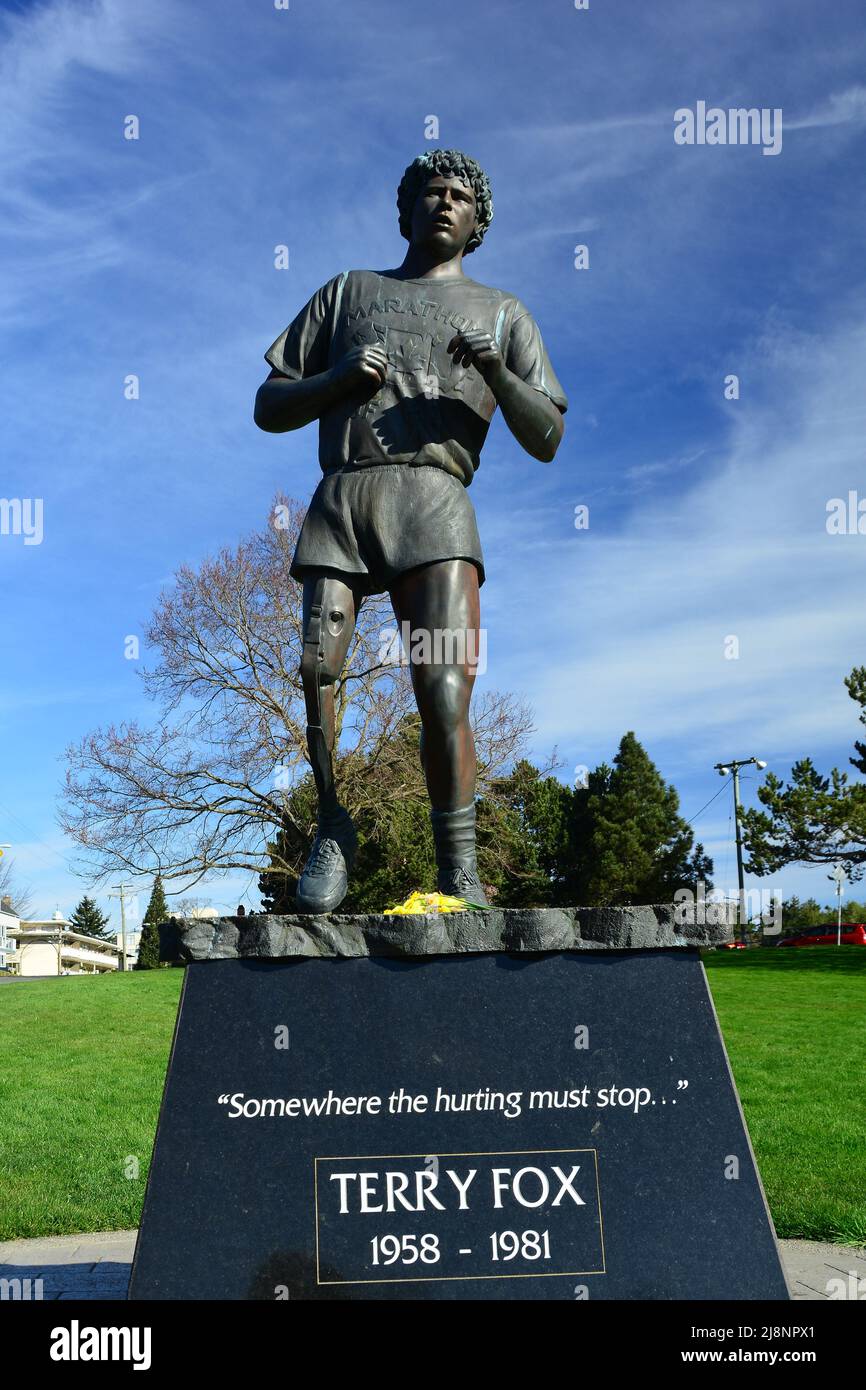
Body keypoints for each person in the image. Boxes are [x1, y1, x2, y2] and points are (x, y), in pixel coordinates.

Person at [254, 149, 567, 912]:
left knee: (443, 688)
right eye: (433, 192)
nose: (446, 204)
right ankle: (333, 826)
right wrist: (335, 382)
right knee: (315, 674)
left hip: (435, 506)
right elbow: (269, 403)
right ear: (408, 209)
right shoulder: (347, 292)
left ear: (478, 222)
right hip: (346, 500)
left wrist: (497, 374)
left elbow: (548, 435)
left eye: (461, 196)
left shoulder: (503, 311)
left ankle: (458, 865)